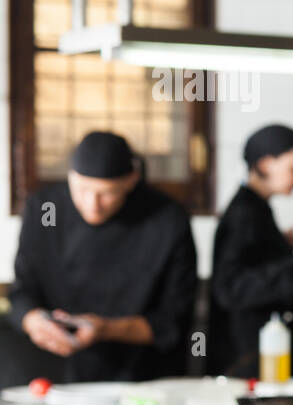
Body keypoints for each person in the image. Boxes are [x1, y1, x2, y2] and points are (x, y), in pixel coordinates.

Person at [8, 131, 197, 382]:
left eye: (107, 193)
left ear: (132, 180)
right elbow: (22, 292)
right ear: (70, 177)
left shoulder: (168, 219)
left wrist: (105, 329)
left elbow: (174, 319)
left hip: (141, 374)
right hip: (56, 374)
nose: (92, 204)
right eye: (82, 189)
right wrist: (34, 321)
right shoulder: (43, 209)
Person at [208, 124, 293, 377]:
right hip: (248, 359)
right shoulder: (244, 214)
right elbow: (230, 288)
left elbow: (255, 259)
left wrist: (284, 244)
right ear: (265, 165)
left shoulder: (257, 207)